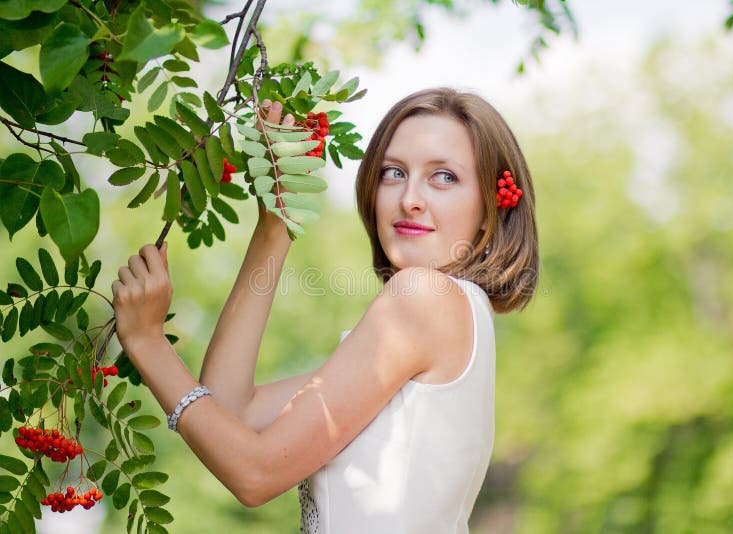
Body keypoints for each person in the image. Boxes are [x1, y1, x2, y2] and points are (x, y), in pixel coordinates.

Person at [111, 87, 538, 533]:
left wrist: (147, 342)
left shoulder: (424, 298)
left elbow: (255, 474)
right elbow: (232, 411)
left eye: (444, 177)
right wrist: (277, 225)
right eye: (393, 172)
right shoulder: (452, 315)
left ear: (492, 207)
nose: (409, 197)